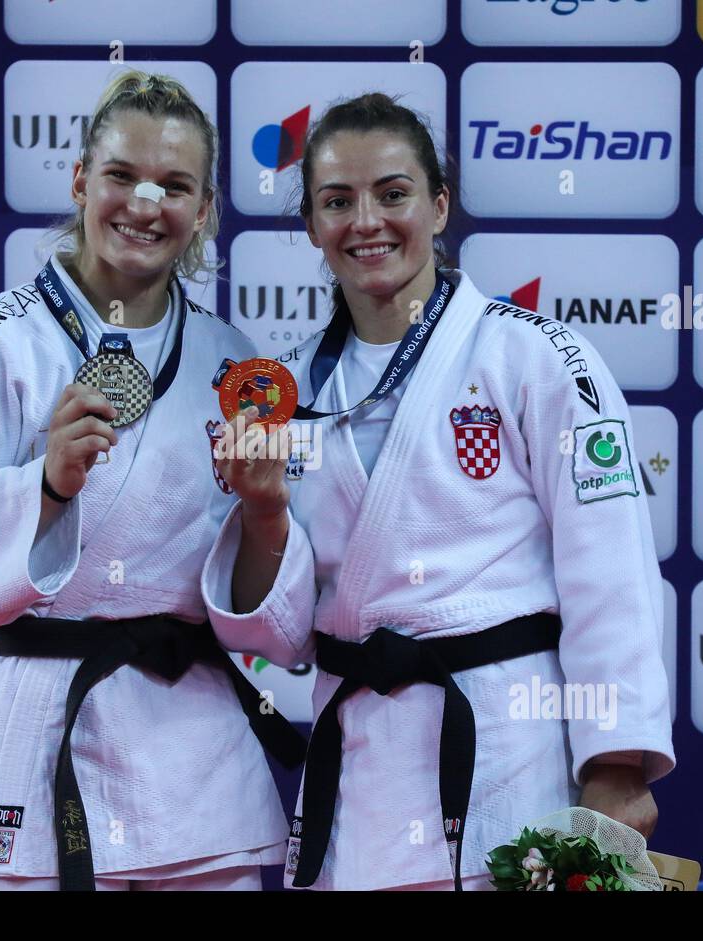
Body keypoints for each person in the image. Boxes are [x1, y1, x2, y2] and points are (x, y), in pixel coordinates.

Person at [202, 93, 675, 891]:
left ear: (439, 204)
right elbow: (279, 637)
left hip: (506, 755)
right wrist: (262, 509)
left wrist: (617, 764)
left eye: (393, 193)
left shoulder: (538, 357)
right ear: (312, 226)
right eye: (337, 201)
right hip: (359, 770)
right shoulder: (283, 393)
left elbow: (613, 573)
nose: (367, 221)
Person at [0, 70, 302, 892]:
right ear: (79, 181)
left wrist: (266, 512)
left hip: (197, 763)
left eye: (175, 185)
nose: (145, 204)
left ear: (204, 210)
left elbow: (268, 623)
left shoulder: (235, 363)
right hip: (39, 741)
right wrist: (45, 486)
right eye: (121, 176)